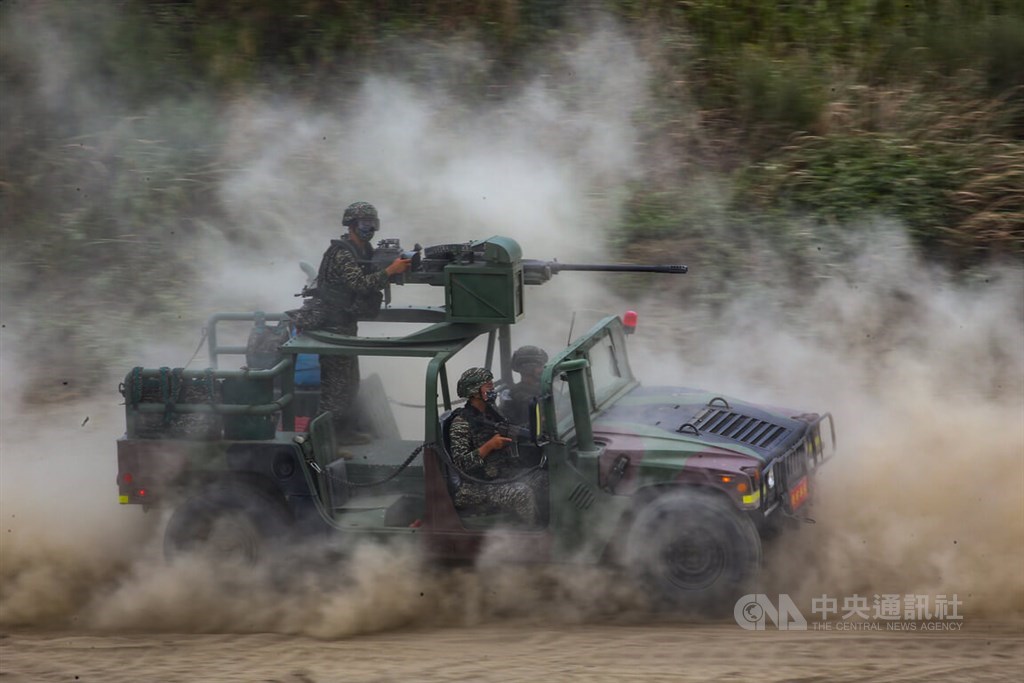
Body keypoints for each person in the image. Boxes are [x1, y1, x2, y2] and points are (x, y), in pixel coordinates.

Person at [303, 201, 411, 443]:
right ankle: (318, 444)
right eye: (364, 224)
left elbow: (372, 272)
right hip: (331, 327)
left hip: (346, 324)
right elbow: (359, 284)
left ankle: (343, 433)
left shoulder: (363, 250)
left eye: (373, 224)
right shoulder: (342, 253)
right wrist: (390, 271)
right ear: (351, 225)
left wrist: (396, 265)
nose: (369, 229)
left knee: (351, 385)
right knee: (334, 391)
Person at [448, 367, 546, 527]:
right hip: (476, 485)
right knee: (521, 493)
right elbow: (461, 465)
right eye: (487, 385)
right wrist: (490, 446)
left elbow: (511, 429)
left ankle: (551, 525)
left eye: (492, 383)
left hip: (502, 474)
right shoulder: (461, 423)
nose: (492, 387)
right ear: (474, 391)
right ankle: (533, 533)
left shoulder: (492, 412)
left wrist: (535, 426)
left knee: (544, 478)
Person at [502, 345, 549, 427]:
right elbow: (514, 429)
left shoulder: (546, 387)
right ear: (527, 368)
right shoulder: (513, 397)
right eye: (539, 366)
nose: (543, 369)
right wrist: (543, 421)